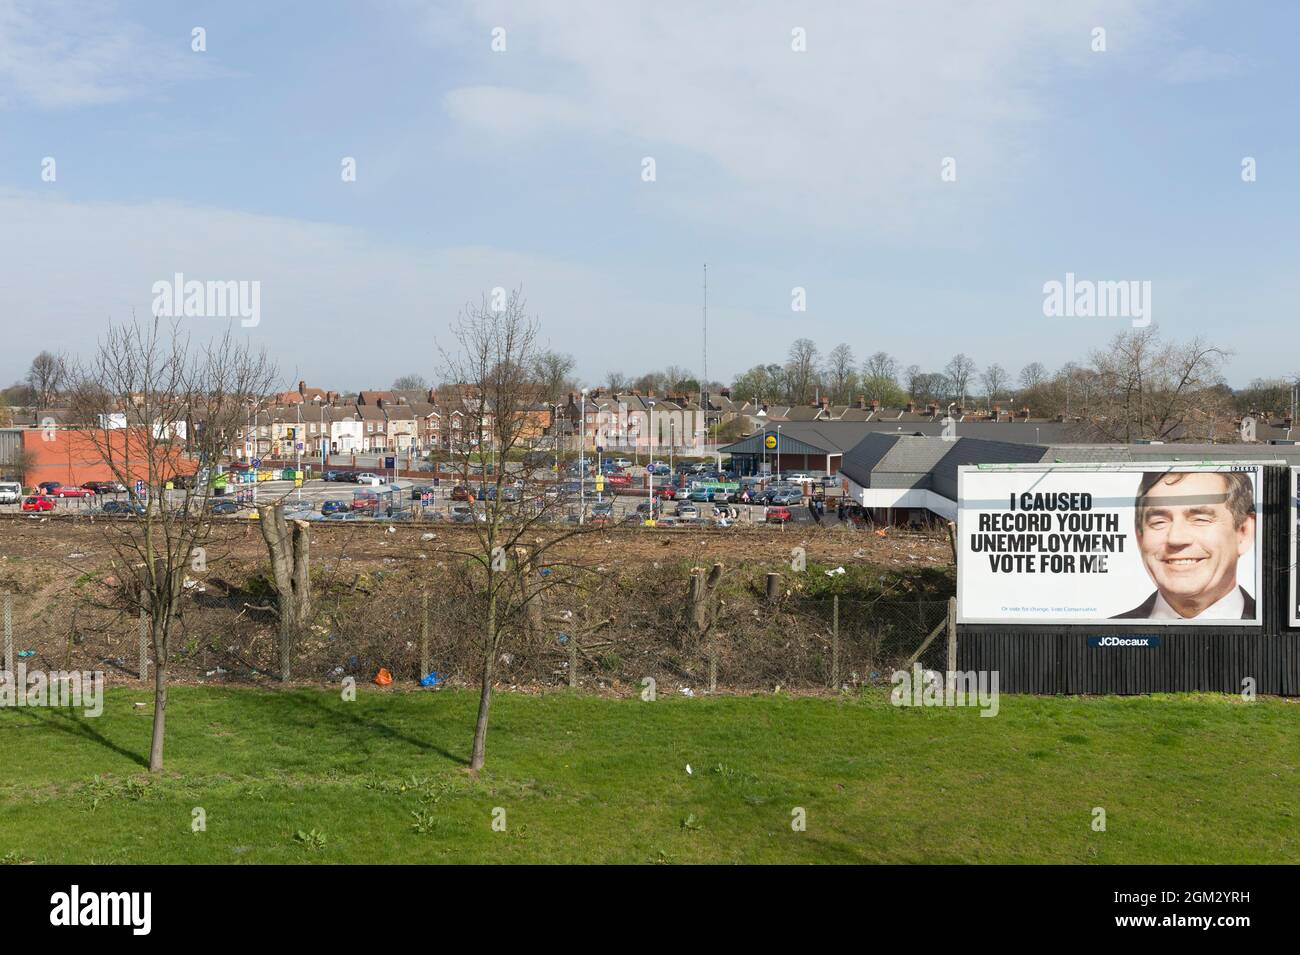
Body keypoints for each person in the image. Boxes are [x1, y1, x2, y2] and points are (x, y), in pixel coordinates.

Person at [1111, 470, 1256, 620]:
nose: (1176, 538)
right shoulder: (1107, 631)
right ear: (1139, 538)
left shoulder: (1276, 625)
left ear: (1244, 532)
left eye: (1200, 519)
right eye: (1159, 522)